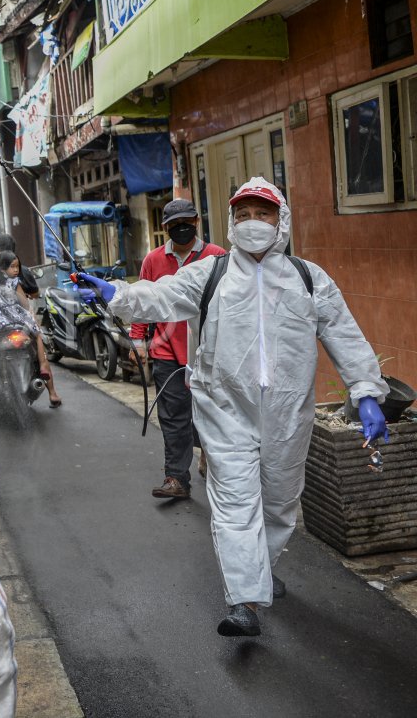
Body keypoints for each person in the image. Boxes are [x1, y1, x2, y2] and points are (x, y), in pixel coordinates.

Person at [76, 178, 388, 637]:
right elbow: (161, 295)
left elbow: (343, 333)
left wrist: (365, 392)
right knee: (236, 502)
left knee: (280, 503)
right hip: (225, 410)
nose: (252, 223)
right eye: (242, 215)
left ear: (280, 221)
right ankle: (245, 601)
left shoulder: (309, 278)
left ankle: (260, 566)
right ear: (231, 222)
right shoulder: (212, 273)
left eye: (262, 214)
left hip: (287, 413)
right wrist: (117, 295)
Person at [128, 199, 224, 500]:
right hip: (167, 352)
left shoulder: (217, 257)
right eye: (174, 224)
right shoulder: (153, 260)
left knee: (213, 414)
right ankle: (176, 477)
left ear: (197, 221)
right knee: (173, 416)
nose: (182, 228)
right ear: (165, 227)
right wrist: (138, 341)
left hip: (210, 351)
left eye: (188, 222)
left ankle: (209, 454)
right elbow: (141, 302)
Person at [0, 251, 62, 407]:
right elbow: (25, 303)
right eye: (13, 267)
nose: (16, 270)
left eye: (17, 267)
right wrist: (28, 314)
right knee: (37, 334)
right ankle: (44, 369)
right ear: (2, 268)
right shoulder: (15, 283)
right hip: (16, 318)